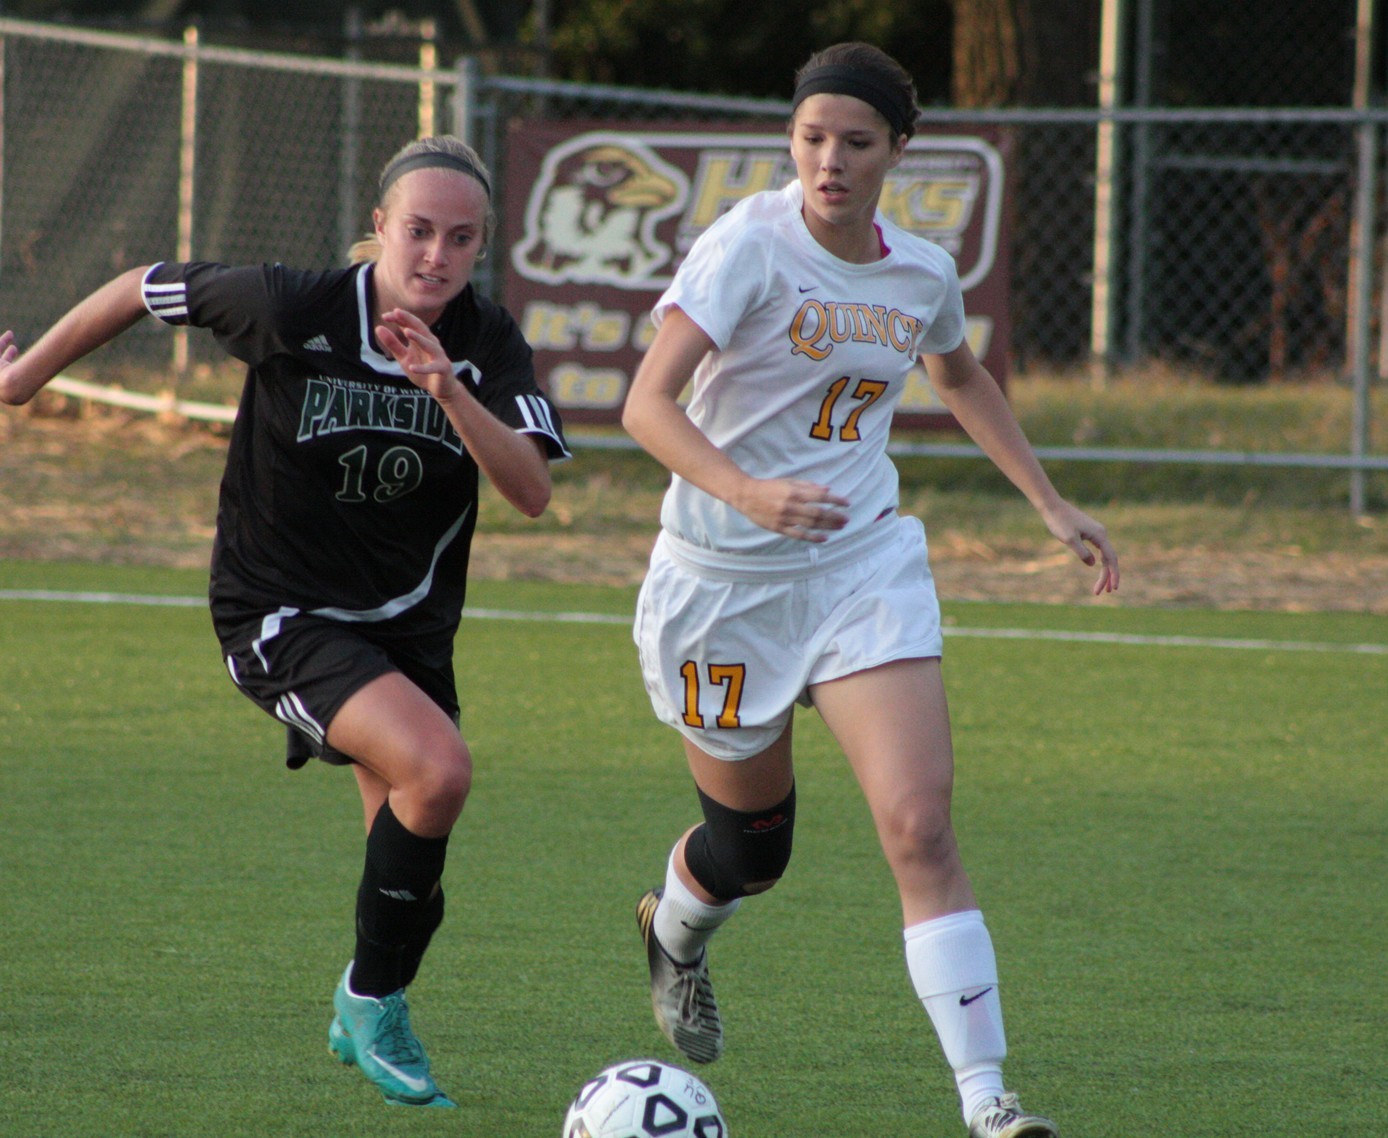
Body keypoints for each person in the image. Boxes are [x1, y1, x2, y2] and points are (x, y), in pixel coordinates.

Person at [0, 135, 571, 1108]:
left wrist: (448, 387)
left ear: (482, 247)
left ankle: (375, 1001)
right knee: (439, 771)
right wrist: (22, 380)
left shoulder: (482, 339)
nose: (436, 254)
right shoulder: (291, 306)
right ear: (380, 229)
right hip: (279, 608)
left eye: (460, 238)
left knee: (408, 850)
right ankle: (369, 1000)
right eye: (418, 230)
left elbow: (528, 489)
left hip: (407, 625)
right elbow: (142, 286)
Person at [620, 42, 1117, 1138]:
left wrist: (1046, 500)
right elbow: (645, 408)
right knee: (754, 850)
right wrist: (746, 491)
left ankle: (988, 1101)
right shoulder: (746, 245)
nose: (829, 161)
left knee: (918, 823)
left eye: (854, 141)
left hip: (859, 567)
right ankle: (676, 932)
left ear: (900, 147)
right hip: (719, 581)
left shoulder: (920, 271)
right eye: (810, 138)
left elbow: (957, 371)